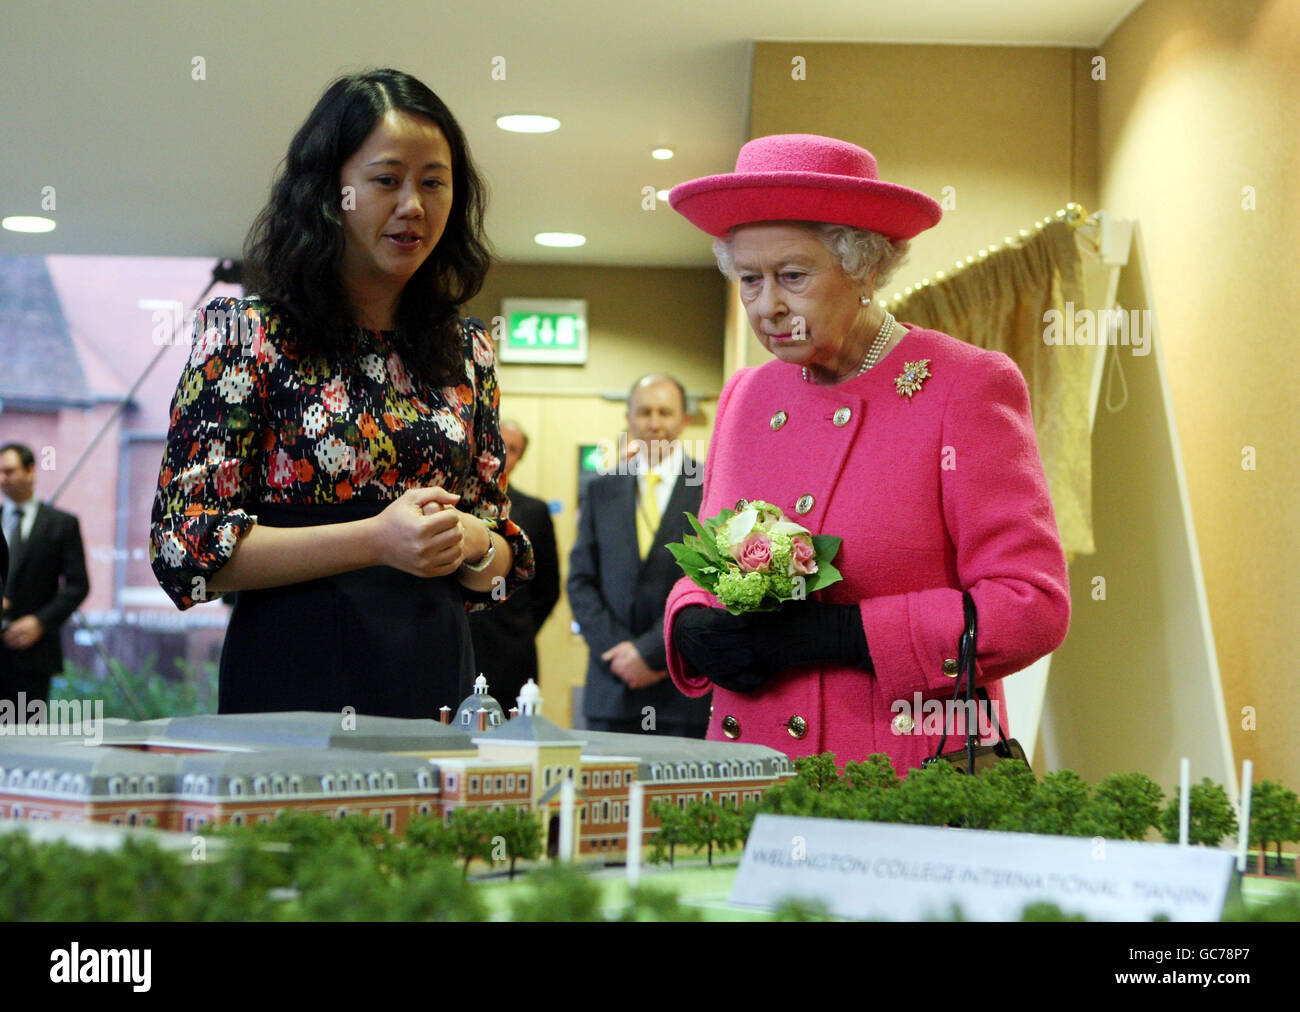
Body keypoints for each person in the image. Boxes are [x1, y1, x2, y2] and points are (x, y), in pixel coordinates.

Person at [663, 134, 1070, 769]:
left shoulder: (964, 386)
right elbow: (712, 560)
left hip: (903, 772)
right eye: (750, 280)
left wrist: (844, 635)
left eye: (793, 276)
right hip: (754, 765)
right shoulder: (745, 395)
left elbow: (1030, 607)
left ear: (866, 269)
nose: (768, 306)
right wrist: (687, 618)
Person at [150, 69, 534, 719]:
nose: (412, 204)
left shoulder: (468, 350)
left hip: (436, 678)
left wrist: (469, 541)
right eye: (386, 180)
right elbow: (186, 548)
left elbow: (500, 563)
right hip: (296, 676)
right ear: (333, 192)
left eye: (434, 182)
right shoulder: (248, 336)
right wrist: (375, 541)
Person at [568, 375, 711, 738]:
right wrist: (620, 653)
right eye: (644, 411)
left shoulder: (710, 485)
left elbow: (713, 583)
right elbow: (581, 581)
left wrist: (651, 653)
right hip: (611, 688)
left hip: (681, 687)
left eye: (665, 412)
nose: (654, 422)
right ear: (628, 418)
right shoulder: (602, 489)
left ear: (684, 420)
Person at [467, 420, 560, 709]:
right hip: (456, 639)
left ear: (520, 458)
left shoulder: (534, 511)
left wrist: (522, 626)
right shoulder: (453, 503)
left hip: (511, 649)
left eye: (513, 449)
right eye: (497, 444)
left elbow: (548, 588)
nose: (502, 455)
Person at [1, 442, 90, 709]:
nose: (3, 479)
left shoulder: (61, 524)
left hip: (33, 652)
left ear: (30, 471)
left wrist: (40, 622)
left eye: (9, 471)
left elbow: (78, 585)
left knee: (26, 737)